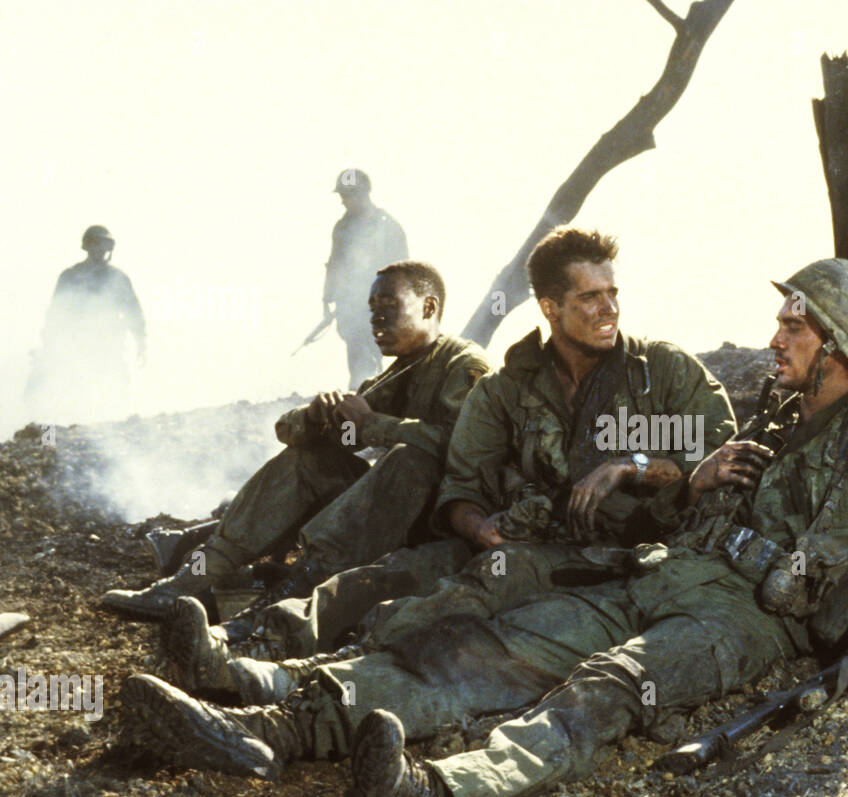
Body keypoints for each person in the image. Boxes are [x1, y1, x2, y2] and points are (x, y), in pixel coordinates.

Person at [121, 258, 848, 797]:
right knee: (494, 644)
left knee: (603, 689)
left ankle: (437, 792)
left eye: (794, 327)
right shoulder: (773, 422)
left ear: (839, 345)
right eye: (781, 322)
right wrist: (696, 480)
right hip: (665, 573)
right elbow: (671, 519)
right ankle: (275, 723)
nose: (776, 339)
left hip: (748, 618)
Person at [157, 227, 735, 705]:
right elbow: (460, 486)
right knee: (385, 577)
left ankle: (305, 683)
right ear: (550, 307)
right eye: (589, 297)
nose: (608, 308)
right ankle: (243, 638)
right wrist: (476, 526)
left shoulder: (661, 370)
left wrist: (629, 465)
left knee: (447, 605)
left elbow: (716, 454)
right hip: (523, 540)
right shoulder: (507, 391)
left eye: (612, 292)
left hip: (623, 555)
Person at [102, 261, 490, 620]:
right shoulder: (397, 373)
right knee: (311, 459)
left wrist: (372, 424)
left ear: (428, 307)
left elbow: (461, 448)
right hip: (388, 511)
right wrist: (315, 417)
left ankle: (276, 606)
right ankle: (187, 582)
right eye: (372, 305)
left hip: (440, 522)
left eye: (389, 303)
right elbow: (302, 433)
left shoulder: (465, 364)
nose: (376, 315)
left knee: (408, 460)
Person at [26, 225, 146, 423]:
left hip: (109, 346)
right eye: (97, 244)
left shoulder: (117, 278)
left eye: (104, 245)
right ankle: (50, 442)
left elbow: (134, 311)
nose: (101, 249)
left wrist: (141, 342)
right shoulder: (70, 277)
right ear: (88, 246)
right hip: (74, 346)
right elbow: (56, 313)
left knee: (114, 395)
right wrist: (50, 346)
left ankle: (109, 440)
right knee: (55, 398)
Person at [321, 169, 409, 388]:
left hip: (380, 305)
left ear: (361, 194)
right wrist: (327, 298)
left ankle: (367, 399)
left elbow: (404, 269)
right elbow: (335, 264)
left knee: (374, 357)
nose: (343, 202)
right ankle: (361, 395)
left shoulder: (388, 226)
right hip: (350, 308)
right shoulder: (342, 227)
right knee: (358, 354)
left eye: (346, 196)